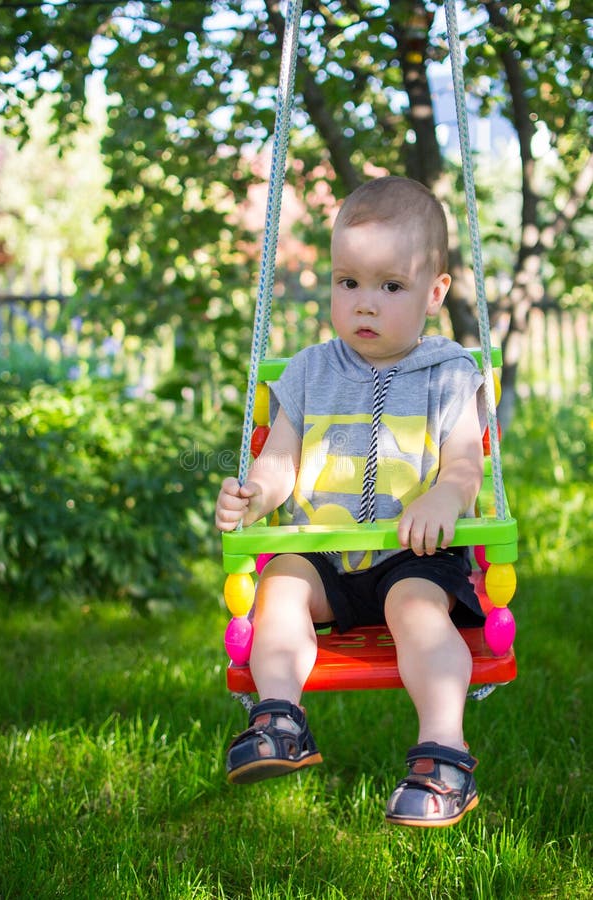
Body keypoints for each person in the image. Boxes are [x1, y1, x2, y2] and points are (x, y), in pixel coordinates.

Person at [215, 175, 486, 828]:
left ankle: (445, 750)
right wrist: (256, 493)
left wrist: (446, 497)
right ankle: (280, 717)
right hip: (324, 557)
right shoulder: (311, 372)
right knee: (279, 586)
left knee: (417, 610)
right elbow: (281, 461)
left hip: (412, 554)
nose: (366, 304)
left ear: (435, 292)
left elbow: (464, 465)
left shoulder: (449, 373)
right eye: (349, 283)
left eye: (390, 287)